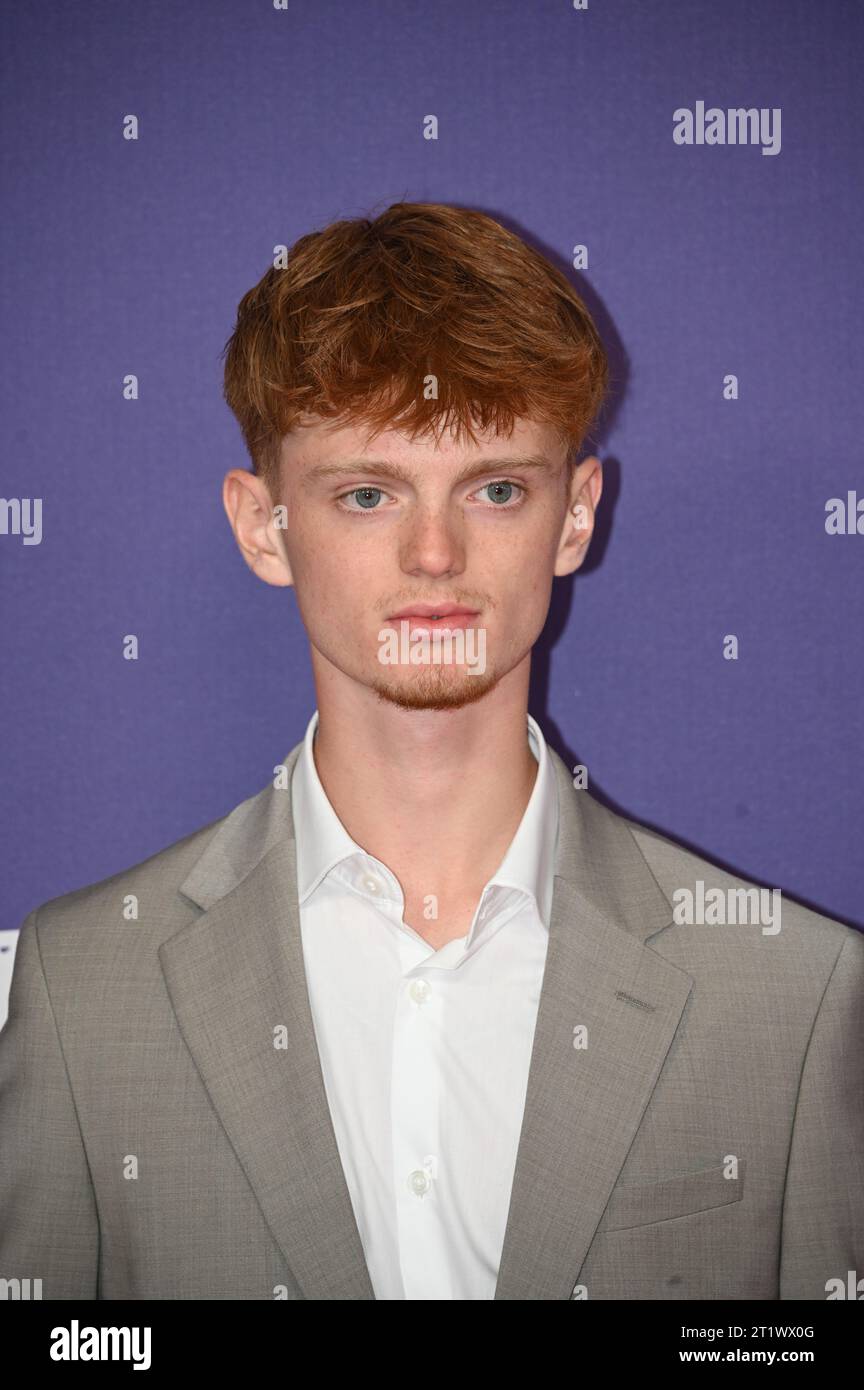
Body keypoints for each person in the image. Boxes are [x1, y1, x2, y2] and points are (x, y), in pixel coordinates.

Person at [1, 202, 861, 1301]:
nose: (436, 554)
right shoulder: (85, 988)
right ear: (263, 526)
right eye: (368, 494)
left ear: (575, 515)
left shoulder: (793, 998)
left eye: (497, 489)